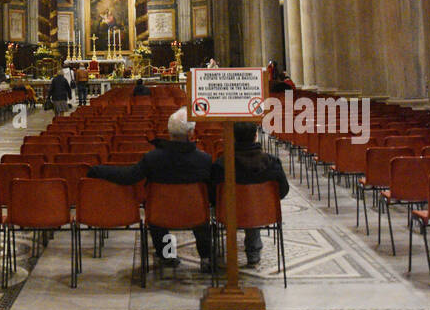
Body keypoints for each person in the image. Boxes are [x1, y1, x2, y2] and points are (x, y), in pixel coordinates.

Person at [88, 107, 213, 270]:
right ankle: (206, 257)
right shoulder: (204, 159)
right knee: (200, 208)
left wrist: (98, 170)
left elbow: (128, 176)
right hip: (195, 215)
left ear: (169, 132)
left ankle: (167, 256)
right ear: (191, 134)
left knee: (157, 210)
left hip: (161, 216)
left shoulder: (153, 158)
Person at [210, 121, 290, 267]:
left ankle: (220, 251)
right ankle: (253, 252)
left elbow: (212, 195)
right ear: (255, 136)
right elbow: (283, 190)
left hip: (227, 213)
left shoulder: (222, 164)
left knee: (239, 205)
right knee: (252, 206)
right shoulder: (272, 162)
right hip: (263, 213)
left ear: (233, 137)